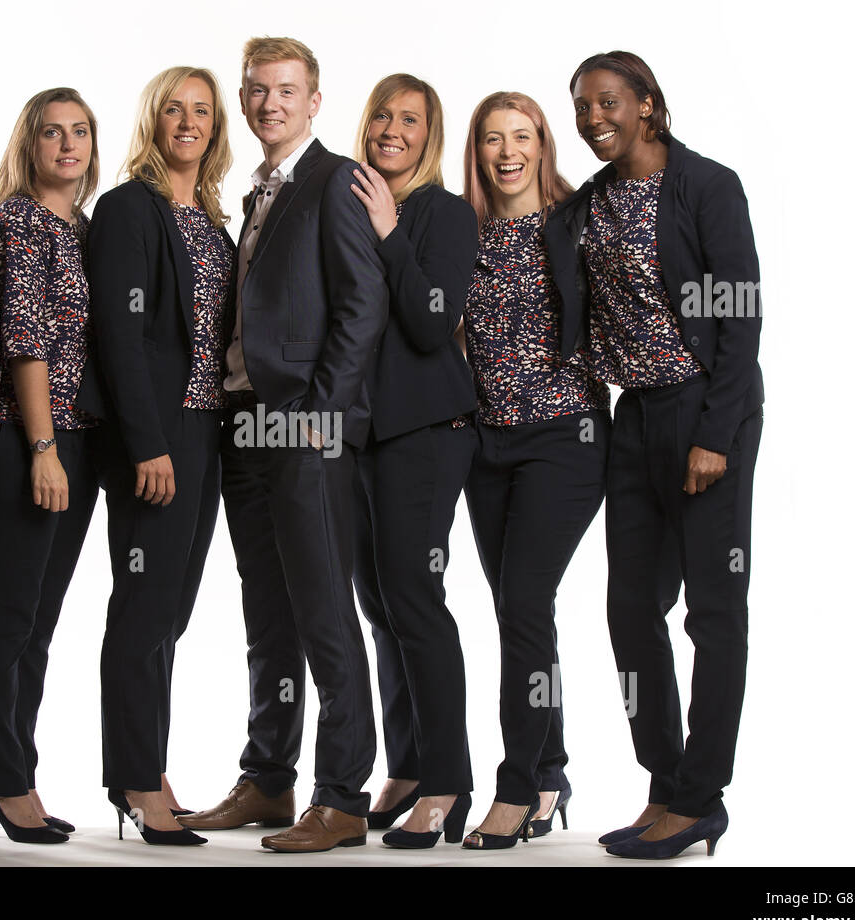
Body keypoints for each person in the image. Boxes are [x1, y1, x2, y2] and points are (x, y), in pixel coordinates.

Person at [551, 51, 763, 859]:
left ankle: (702, 795)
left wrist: (715, 433)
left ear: (647, 104)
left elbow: (740, 315)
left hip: (706, 410)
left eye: (607, 101)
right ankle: (665, 781)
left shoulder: (707, 186)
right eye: (580, 105)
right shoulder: (592, 204)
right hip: (631, 420)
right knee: (631, 612)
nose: (593, 116)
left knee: (713, 613)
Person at [181, 36, 385, 853]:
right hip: (243, 426)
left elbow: (361, 308)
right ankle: (269, 779)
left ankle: (340, 797)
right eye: (258, 90)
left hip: (305, 429)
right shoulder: (257, 194)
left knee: (325, 615)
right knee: (268, 615)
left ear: (314, 101)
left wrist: (318, 416)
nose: (270, 103)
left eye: (286, 91)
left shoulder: (334, 182)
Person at [76, 66, 236, 847]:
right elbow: (118, 333)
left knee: (170, 612)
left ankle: (150, 764)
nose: (188, 121)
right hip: (157, 437)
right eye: (173, 108)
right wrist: (147, 442)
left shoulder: (212, 220)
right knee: (142, 609)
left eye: (201, 110)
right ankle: (136, 778)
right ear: (153, 120)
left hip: (208, 434)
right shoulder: (127, 210)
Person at [458, 92, 612, 850]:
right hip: (488, 445)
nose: (507, 151)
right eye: (493, 139)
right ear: (478, 150)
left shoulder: (579, 221)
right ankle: (551, 770)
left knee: (523, 603)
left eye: (522, 136)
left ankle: (517, 786)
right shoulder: (463, 230)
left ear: (544, 144)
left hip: (565, 436)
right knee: (521, 612)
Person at [0, 88, 103, 845]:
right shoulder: (19, 222)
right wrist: (44, 449)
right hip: (28, 440)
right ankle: (4, 785)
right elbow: (26, 342)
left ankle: (18, 775)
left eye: (80, 131)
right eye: (52, 133)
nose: (68, 144)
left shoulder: (80, 228)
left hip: (76, 439)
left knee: (39, 625)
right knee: (8, 618)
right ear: (31, 145)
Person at [345, 74, 479, 848]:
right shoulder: (354, 205)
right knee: (380, 606)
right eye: (382, 118)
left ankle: (449, 783)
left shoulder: (441, 213)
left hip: (426, 432)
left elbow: (433, 325)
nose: (392, 131)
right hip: (364, 435)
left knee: (416, 601)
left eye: (410, 121)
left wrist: (392, 232)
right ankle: (408, 764)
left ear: (430, 135)